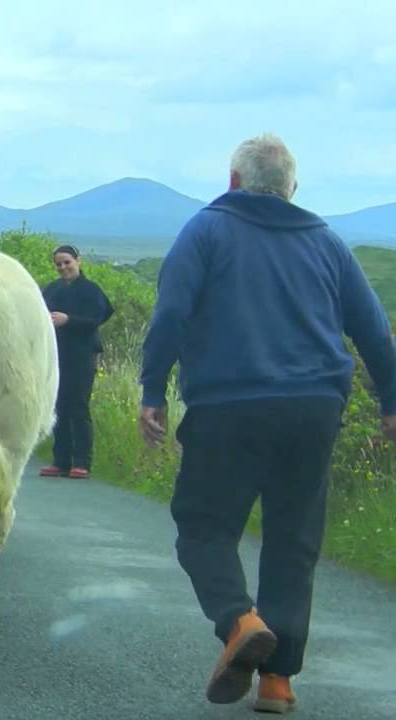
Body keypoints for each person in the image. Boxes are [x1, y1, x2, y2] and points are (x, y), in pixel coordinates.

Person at [138, 132, 396, 713]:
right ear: (293, 188)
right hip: (314, 409)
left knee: (203, 527)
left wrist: (152, 390)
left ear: (233, 181)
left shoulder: (205, 230)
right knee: (293, 539)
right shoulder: (327, 241)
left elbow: (172, 313)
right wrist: (391, 401)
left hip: (228, 405)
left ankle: (239, 620)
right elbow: (375, 330)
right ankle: (277, 683)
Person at [39, 245, 114, 479]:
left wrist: (68, 320)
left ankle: (82, 462)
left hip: (82, 355)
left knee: (78, 407)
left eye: (67, 262)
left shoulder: (91, 290)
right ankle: (60, 461)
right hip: (56, 355)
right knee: (58, 406)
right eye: (59, 264)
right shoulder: (52, 290)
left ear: (77, 261)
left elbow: (97, 318)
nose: (63, 267)